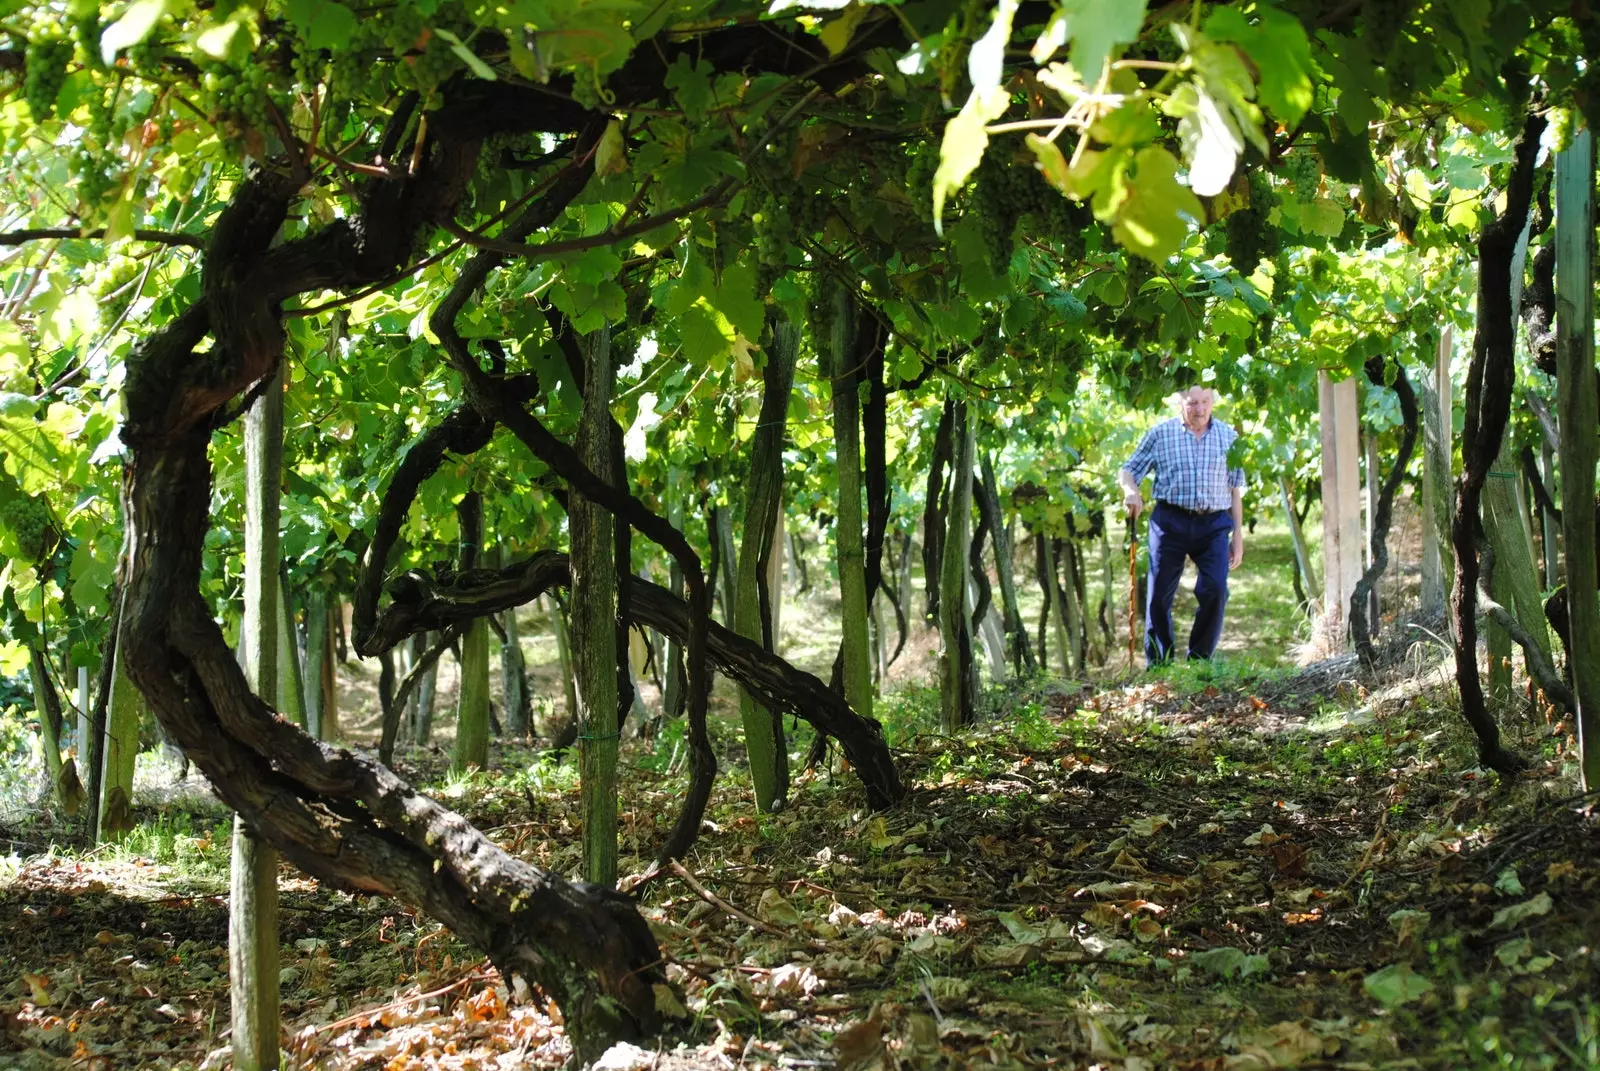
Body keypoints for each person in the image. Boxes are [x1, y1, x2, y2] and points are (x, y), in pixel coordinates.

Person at [1117, 386, 1246, 665]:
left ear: (1212, 402)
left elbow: (1235, 490)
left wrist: (1238, 536)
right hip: (1170, 521)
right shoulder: (1161, 434)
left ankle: (1199, 662)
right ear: (1180, 404)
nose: (1199, 409)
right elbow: (1128, 469)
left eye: (1205, 402)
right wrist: (1130, 490)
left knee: (1216, 589)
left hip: (1214, 523)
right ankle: (1160, 666)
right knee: (1158, 596)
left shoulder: (1229, 436)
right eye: (1192, 403)